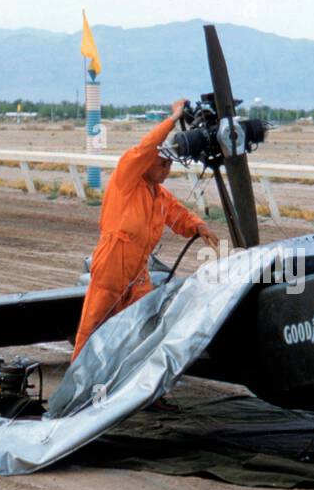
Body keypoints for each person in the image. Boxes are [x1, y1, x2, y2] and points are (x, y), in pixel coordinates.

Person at [71, 98, 219, 360]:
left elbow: (179, 216)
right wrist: (173, 118)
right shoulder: (127, 178)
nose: (166, 170)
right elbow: (146, 147)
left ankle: (140, 389)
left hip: (139, 269)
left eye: (169, 165)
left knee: (143, 329)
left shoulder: (158, 195)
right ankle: (80, 388)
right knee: (93, 326)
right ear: (148, 162)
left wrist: (199, 226)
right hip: (112, 263)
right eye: (162, 164)